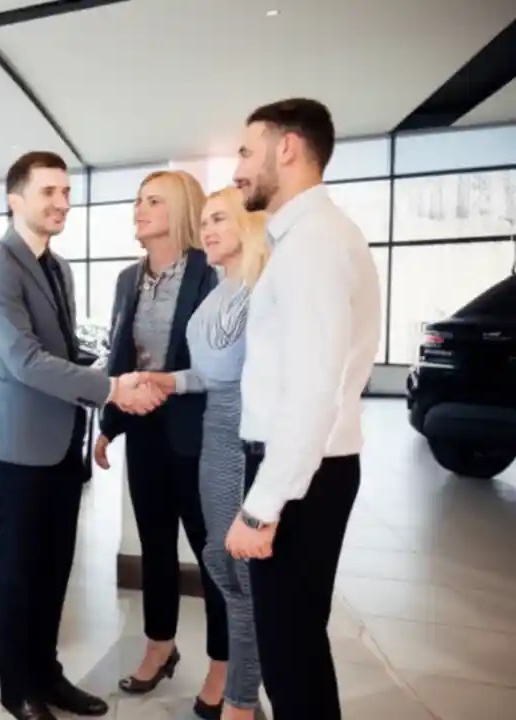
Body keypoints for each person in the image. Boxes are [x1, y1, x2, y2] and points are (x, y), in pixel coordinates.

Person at [0, 151, 166, 720]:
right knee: (15, 575)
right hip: (15, 449)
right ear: (16, 200)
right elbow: (25, 361)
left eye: (66, 193)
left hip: (60, 444)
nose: (61, 204)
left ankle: (46, 674)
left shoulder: (58, 267)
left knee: (54, 569)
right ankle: (16, 689)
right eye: (48, 192)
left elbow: (60, 353)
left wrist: (115, 370)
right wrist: (109, 388)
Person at [225, 98, 381, 720]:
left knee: (291, 657)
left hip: (300, 478)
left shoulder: (314, 242)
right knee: (297, 650)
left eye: (244, 151)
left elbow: (312, 390)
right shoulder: (309, 236)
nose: (237, 170)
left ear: (285, 148)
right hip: (309, 470)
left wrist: (262, 511)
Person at [93, 170, 226, 713]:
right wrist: (107, 424)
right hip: (144, 431)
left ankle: (223, 665)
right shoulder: (128, 278)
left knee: (211, 555)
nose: (138, 210)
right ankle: (159, 647)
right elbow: (121, 357)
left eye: (152, 202)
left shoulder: (209, 274)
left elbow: (218, 363)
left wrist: (166, 386)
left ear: (181, 211)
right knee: (155, 549)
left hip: (197, 434)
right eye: (137, 201)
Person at [139, 186, 271, 720]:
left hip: (244, 441)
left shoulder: (263, 290)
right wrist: (165, 379)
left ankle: (240, 701)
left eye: (220, 219)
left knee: (244, 579)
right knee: (224, 569)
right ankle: (243, 696)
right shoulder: (223, 288)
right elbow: (210, 374)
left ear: (248, 225)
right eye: (207, 221)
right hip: (214, 441)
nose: (207, 230)